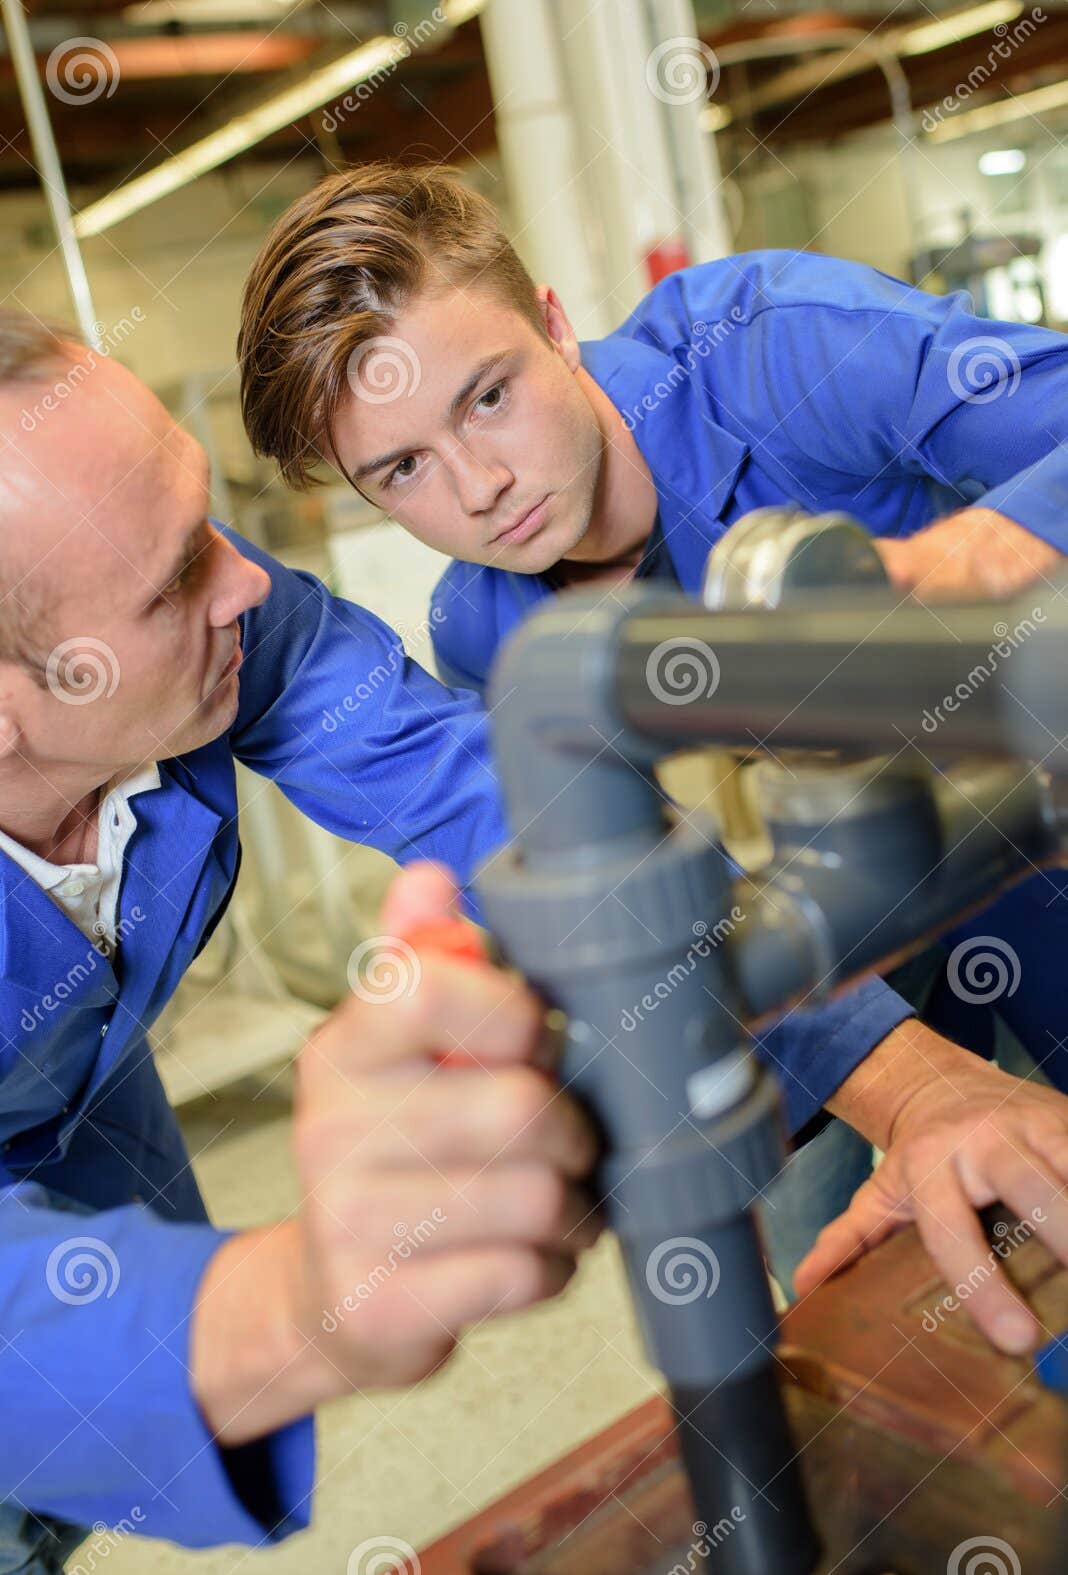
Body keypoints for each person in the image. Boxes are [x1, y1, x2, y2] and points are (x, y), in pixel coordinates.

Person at [238, 162, 1068, 1330]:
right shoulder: (488, 630)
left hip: (1037, 776)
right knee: (819, 1229)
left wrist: (963, 565)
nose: (482, 488)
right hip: (859, 862)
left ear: (555, 325)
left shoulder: (771, 344)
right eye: (404, 468)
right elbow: (639, 895)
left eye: (489, 396)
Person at [0, 315, 592, 1575]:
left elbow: (480, 797)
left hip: (76, 1102)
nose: (248, 584)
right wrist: (294, 1301)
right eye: (174, 580)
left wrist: (888, 1073)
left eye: (205, 519)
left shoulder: (206, 600)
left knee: (88, 1455)